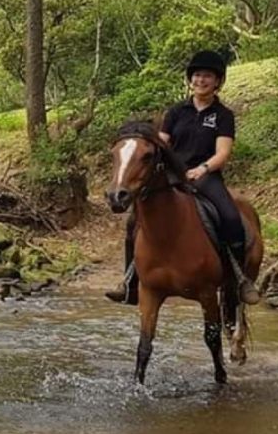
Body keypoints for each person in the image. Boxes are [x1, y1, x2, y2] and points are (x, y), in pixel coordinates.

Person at [105, 50, 261, 305]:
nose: (201, 80)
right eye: (197, 75)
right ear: (190, 79)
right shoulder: (177, 111)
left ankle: (240, 279)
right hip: (173, 176)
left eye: (207, 76)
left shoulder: (223, 115)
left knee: (232, 218)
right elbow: (162, 143)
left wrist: (203, 168)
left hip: (205, 176)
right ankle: (130, 282)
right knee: (134, 222)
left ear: (217, 82)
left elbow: (223, 152)